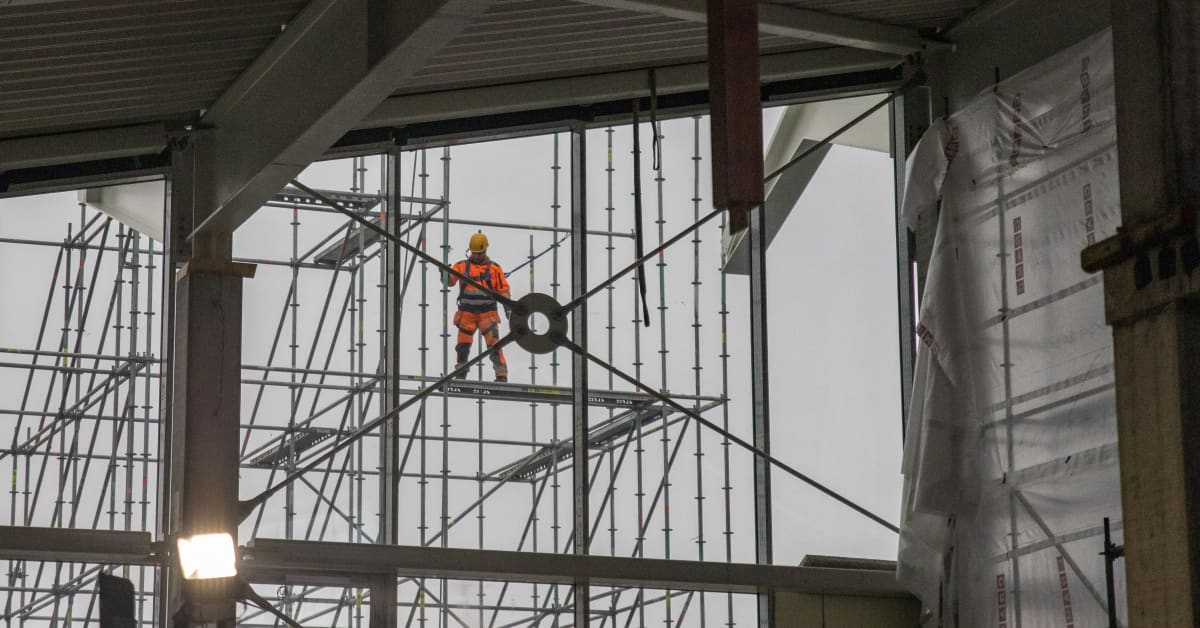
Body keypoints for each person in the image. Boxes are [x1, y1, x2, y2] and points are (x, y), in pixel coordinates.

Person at [446, 231, 511, 382]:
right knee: (462, 346)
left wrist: (508, 307)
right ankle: (461, 372)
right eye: (474, 253)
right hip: (467, 314)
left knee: (494, 345)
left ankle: (501, 375)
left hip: (487, 314)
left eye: (479, 253)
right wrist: (445, 274)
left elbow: (503, 290)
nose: (476, 256)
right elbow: (449, 282)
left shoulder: (495, 269)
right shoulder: (461, 266)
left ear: (485, 251)